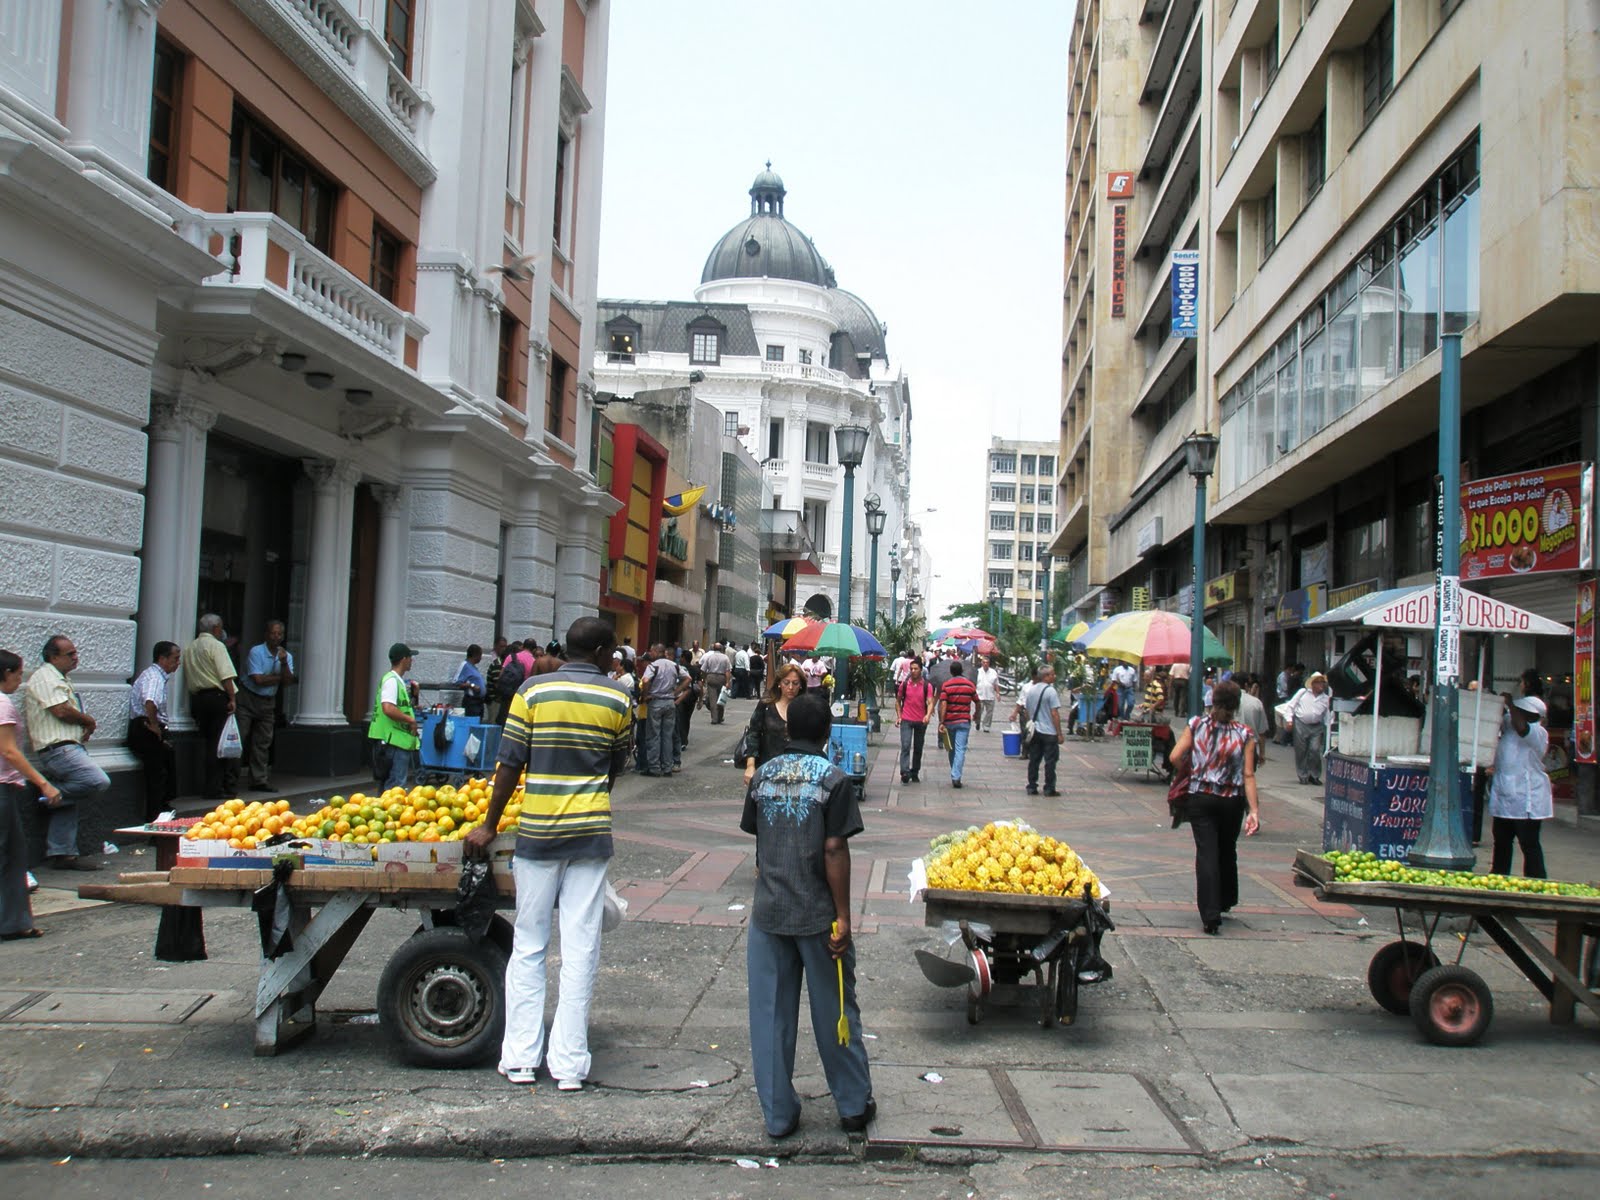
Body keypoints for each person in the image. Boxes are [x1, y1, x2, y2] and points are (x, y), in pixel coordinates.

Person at [466, 617, 632, 1091]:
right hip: (590, 835)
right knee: (581, 948)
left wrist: (489, 824)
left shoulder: (532, 692)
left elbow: (510, 763)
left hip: (537, 834)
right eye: (612, 649)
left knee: (529, 942)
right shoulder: (619, 697)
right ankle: (569, 1066)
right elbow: (614, 767)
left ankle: (519, 1058)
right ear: (600, 652)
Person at [740, 691, 874, 1137]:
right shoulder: (833, 780)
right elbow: (834, 848)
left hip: (769, 913)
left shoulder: (762, 778)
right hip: (818, 916)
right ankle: (853, 1105)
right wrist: (844, 917)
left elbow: (758, 837)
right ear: (827, 732)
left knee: (770, 1015)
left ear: (788, 729)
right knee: (835, 1009)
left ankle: (778, 1114)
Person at [1169, 679, 1260, 935]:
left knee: (1206, 852)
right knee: (1227, 848)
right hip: (1232, 801)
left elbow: (1175, 756)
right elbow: (1249, 774)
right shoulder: (1245, 734)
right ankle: (1225, 900)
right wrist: (1254, 811)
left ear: (1213, 700)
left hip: (1200, 798)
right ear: (1236, 705)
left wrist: (1193, 772)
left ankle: (1210, 915)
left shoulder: (1196, 725)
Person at [23, 636, 109, 871]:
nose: (75, 657)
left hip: (68, 746)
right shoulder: (45, 676)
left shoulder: (60, 678)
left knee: (70, 803)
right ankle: (48, 796)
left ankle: (62, 852)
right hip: (57, 749)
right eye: (69, 654)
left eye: (75, 653)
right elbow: (60, 710)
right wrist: (88, 720)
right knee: (97, 781)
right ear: (53, 657)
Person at [2, 648, 58, 934]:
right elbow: (10, 751)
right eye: (19, 674)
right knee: (10, 855)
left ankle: (13, 921)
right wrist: (43, 782)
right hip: (2, 786)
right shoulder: (3, 705)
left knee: (13, 854)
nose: (20, 680)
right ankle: (11, 922)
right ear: (7, 674)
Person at [1487, 695, 1552, 878]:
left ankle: (1536, 880)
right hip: (1504, 797)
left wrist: (1511, 704)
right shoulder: (1509, 727)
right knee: (1501, 841)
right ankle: (1499, 876)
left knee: (1528, 843)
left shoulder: (1538, 733)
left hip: (1527, 799)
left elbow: (1522, 728)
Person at [185, 613, 239, 800]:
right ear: (216, 628)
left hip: (199, 699)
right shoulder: (217, 646)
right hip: (216, 698)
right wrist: (232, 698)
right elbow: (226, 676)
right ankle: (216, 787)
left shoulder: (191, 647)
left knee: (208, 742)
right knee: (220, 744)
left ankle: (210, 785)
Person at [237, 620, 296, 792]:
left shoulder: (286, 656)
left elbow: (287, 682)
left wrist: (283, 664)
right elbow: (258, 679)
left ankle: (259, 780)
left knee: (263, 741)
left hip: (268, 702)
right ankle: (230, 779)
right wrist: (279, 677)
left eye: (279, 634)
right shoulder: (256, 652)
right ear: (266, 634)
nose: (276, 637)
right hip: (248, 698)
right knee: (240, 737)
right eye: (273, 633)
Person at [127, 642, 181, 821]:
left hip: (148, 726)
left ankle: (163, 810)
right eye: (175, 658)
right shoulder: (154, 678)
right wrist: (154, 726)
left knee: (165, 770)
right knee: (156, 778)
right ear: (162, 658)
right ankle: (154, 820)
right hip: (146, 727)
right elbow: (150, 701)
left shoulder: (155, 676)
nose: (178, 663)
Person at [366, 643, 420, 792]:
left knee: (389, 787)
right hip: (393, 741)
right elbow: (388, 708)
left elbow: (402, 707)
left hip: (396, 740)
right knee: (395, 787)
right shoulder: (391, 681)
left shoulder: (398, 681)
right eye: (410, 657)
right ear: (404, 659)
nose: (412, 661)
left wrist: (415, 696)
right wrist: (411, 721)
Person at [741, 662, 805, 787]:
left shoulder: (806, 707)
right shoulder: (766, 705)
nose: (790, 687)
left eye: (795, 683)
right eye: (786, 683)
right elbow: (753, 734)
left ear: (801, 685)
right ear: (779, 684)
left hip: (798, 772)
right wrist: (750, 765)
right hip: (768, 770)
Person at [1013, 665, 1064, 797]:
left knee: (1034, 759)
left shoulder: (1032, 690)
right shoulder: (1051, 691)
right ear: (1045, 676)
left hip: (1035, 731)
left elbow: (1028, 711)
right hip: (1049, 732)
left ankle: (1032, 786)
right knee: (1050, 761)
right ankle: (1049, 788)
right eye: (1052, 674)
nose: (1054, 676)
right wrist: (1059, 733)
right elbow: (1055, 714)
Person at [639, 643, 687, 777]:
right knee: (667, 736)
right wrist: (676, 691)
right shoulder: (674, 665)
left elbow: (646, 680)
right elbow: (688, 679)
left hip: (656, 702)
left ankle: (654, 767)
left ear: (655, 652)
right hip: (669, 702)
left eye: (651, 651)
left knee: (654, 735)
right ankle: (667, 767)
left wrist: (646, 695)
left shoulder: (653, 666)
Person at [935, 662, 978, 788]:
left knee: (951, 748)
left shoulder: (946, 685)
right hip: (964, 721)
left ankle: (955, 773)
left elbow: (943, 704)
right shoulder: (969, 685)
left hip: (949, 721)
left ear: (951, 672)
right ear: (962, 671)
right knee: (960, 749)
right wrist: (977, 714)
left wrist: (941, 722)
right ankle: (956, 775)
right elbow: (977, 701)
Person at [1284, 672, 1331, 785]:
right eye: (1319, 682)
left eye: (1323, 682)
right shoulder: (1303, 693)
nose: (1322, 685)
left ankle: (1314, 775)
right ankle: (1303, 775)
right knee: (1301, 751)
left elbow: (1328, 715)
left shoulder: (1326, 698)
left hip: (1317, 726)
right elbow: (1291, 706)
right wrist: (1289, 720)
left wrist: (1329, 727)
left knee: (1314, 750)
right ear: (1313, 684)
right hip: (1301, 724)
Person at [894, 657, 935, 785]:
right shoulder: (904, 685)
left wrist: (928, 715)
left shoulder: (927, 686)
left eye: (916, 669)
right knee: (905, 745)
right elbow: (898, 701)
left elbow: (930, 701)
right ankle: (905, 772)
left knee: (918, 747)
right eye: (911, 669)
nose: (913, 671)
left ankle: (915, 771)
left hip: (920, 721)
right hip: (906, 719)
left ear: (921, 670)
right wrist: (899, 716)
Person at [675, 649, 702, 768]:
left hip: (682, 695)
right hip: (693, 697)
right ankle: (684, 740)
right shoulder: (696, 669)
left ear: (683, 658)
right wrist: (701, 699)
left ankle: (681, 740)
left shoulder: (680, 669)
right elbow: (700, 685)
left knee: (680, 718)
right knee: (687, 718)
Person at [1235, 674, 1269, 765]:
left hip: (1230, 747)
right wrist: (1262, 753)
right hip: (1251, 747)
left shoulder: (1226, 701)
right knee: (1248, 775)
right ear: (1246, 685)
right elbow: (1262, 731)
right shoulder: (1256, 702)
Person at [700, 642, 732, 724]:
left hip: (711, 677)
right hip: (722, 678)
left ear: (713, 649)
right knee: (721, 698)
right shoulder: (725, 658)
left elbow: (703, 669)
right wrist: (728, 682)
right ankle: (720, 717)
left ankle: (714, 718)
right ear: (721, 649)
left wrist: (704, 678)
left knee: (712, 699)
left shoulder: (709, 657)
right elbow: (728, 671)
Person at [974, 657, 1000, 733]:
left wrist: (998, 693)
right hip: (980, 695)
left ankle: (986, 726)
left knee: (989, 712)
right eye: (984, 662)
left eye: (987, 662)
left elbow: (996, 684)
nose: (985, 664)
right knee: (979, 711)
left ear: (989, 663)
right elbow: (974, 683)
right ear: (982, 663)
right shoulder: (977, 672)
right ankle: (977, 722)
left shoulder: (993, 672)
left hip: (990, 695)